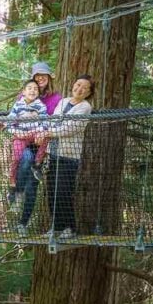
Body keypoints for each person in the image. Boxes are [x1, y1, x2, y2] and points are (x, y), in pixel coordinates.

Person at [25, 74, 95, 240]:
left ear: (89, 92)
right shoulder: (63, 101)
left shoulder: (85, 107)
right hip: (53, 153)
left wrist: (48, 132)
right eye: (78, 84)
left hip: (69, 156)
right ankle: (56, 227)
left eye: (84, 88)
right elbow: (53, 121)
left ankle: (70, 227)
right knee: (52, 192)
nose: (79, 89)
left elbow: (70, 128)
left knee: (64, 191)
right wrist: (45, 129)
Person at [13, 62, 63, 229]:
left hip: (43, 142)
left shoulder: (56, 99)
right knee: (25, 159)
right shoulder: (25, 95)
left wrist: (46, 132)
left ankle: (23, 223)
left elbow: (57, 120)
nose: (40, 78)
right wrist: (13, 130)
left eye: (43, 75)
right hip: (24, 139)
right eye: (37, 76)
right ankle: (16, 191)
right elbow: (15, 116)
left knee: (32, 184)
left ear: (49, 78)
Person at [7, 79, 49, 186]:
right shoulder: (18, 105)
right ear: (23, 92)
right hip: (20, 134)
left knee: (46, 137)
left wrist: (40, 132)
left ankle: (37, 164)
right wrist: (16, 132)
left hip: (34, 133)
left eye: (35, 89)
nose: (33, 91)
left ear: (38, 93)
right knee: (16, 157)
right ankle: (12, 177)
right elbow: (9, 122)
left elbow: (45, 122)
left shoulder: (41, 106)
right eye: (29, 88)